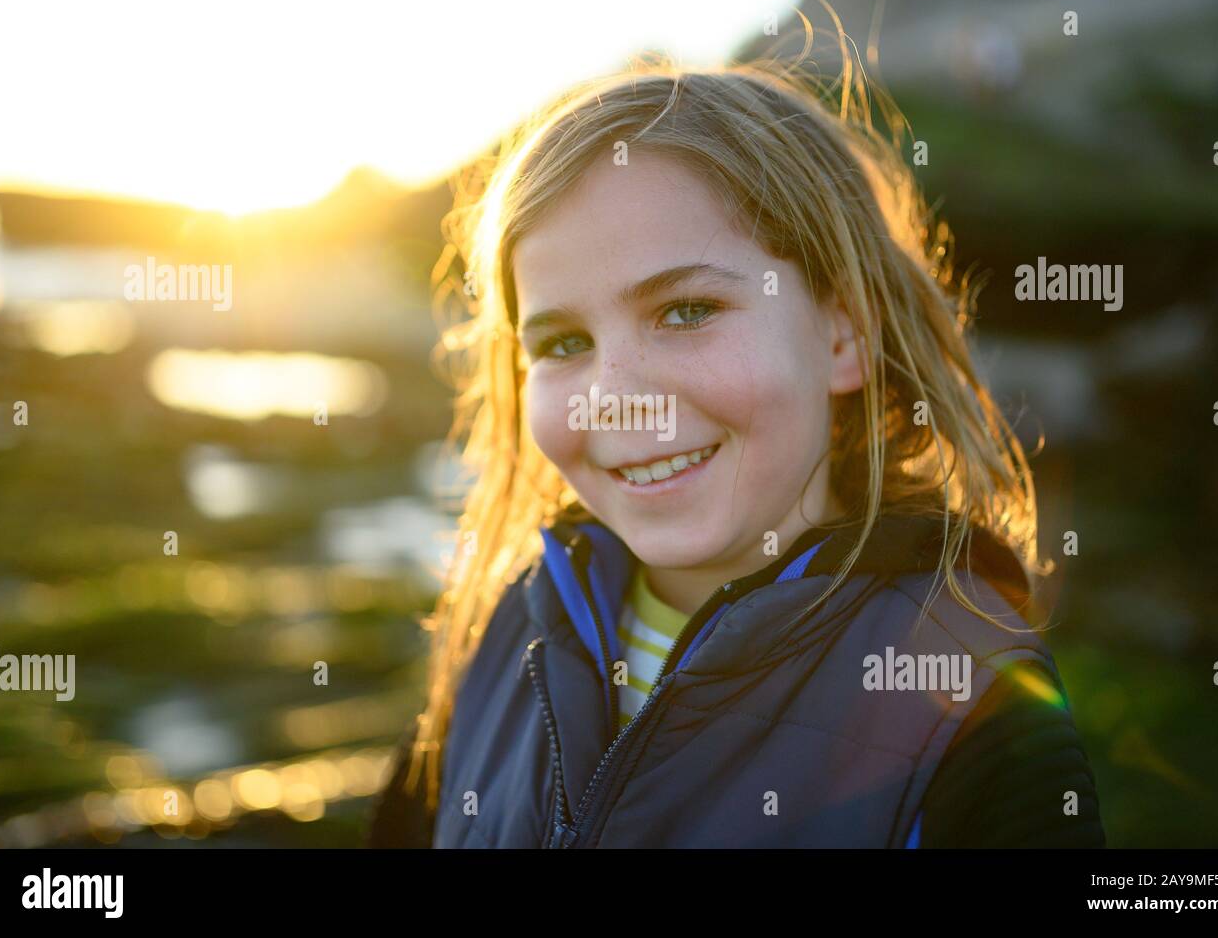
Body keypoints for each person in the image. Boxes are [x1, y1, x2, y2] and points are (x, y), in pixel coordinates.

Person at [368, 51, 1105, 848]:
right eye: (565, 341)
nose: (615, 395)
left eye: (686, 311)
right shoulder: (509, 633)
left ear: (843, 332)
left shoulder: (976, 707)